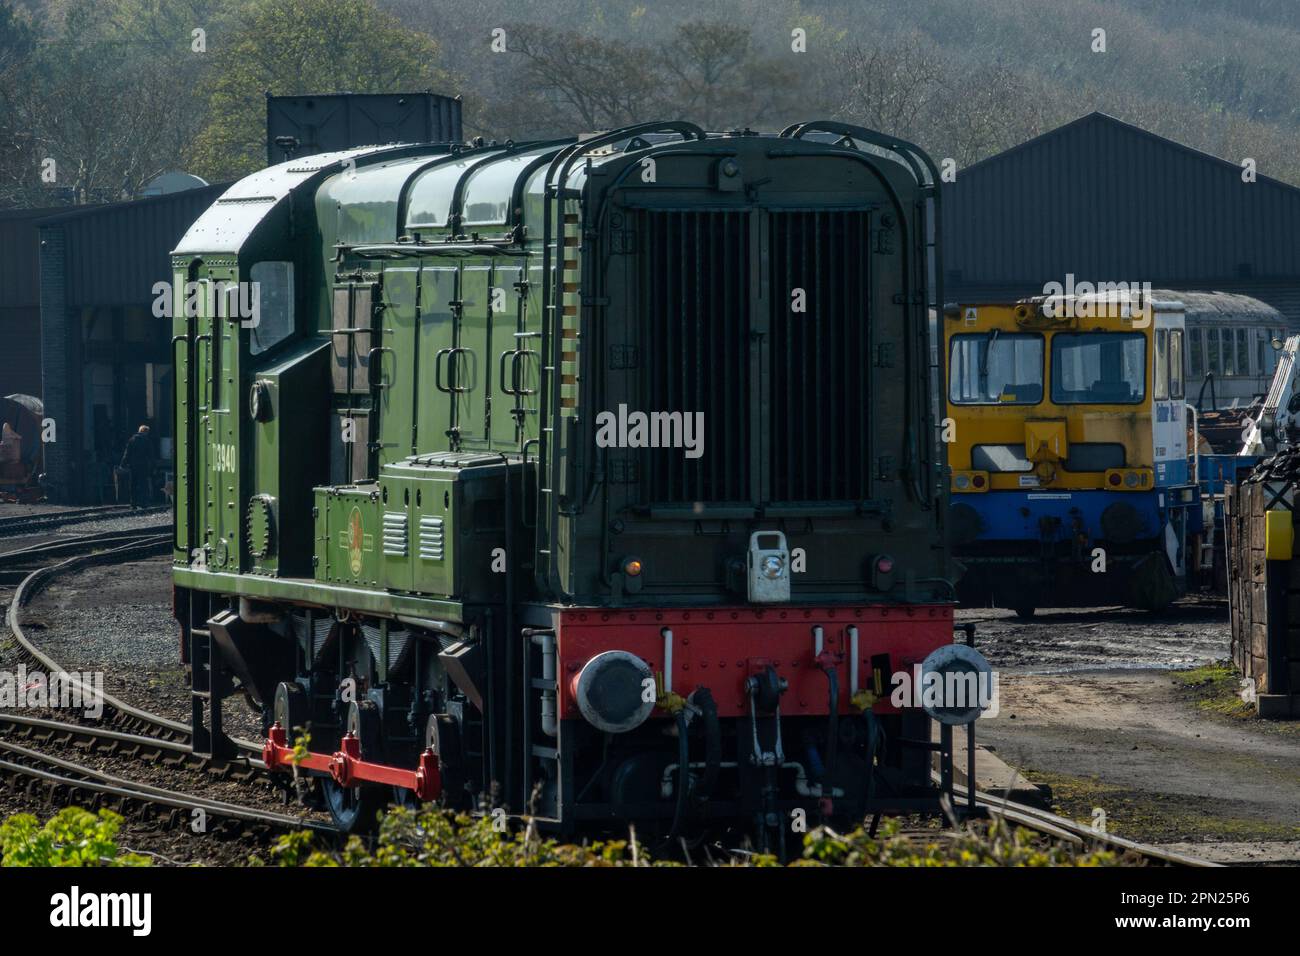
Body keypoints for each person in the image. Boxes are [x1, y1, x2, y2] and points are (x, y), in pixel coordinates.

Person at [121, 424, 155, 509]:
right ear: (145, 432)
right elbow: (151, 455)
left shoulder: (132, 440)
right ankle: (144, 503)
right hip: (143, 466)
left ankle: (133, 504)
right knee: (143, 484)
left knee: (133, 485)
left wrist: (123, 464)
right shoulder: (147, 440)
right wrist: (154, 466)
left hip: (133, 466)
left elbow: (127, 453)